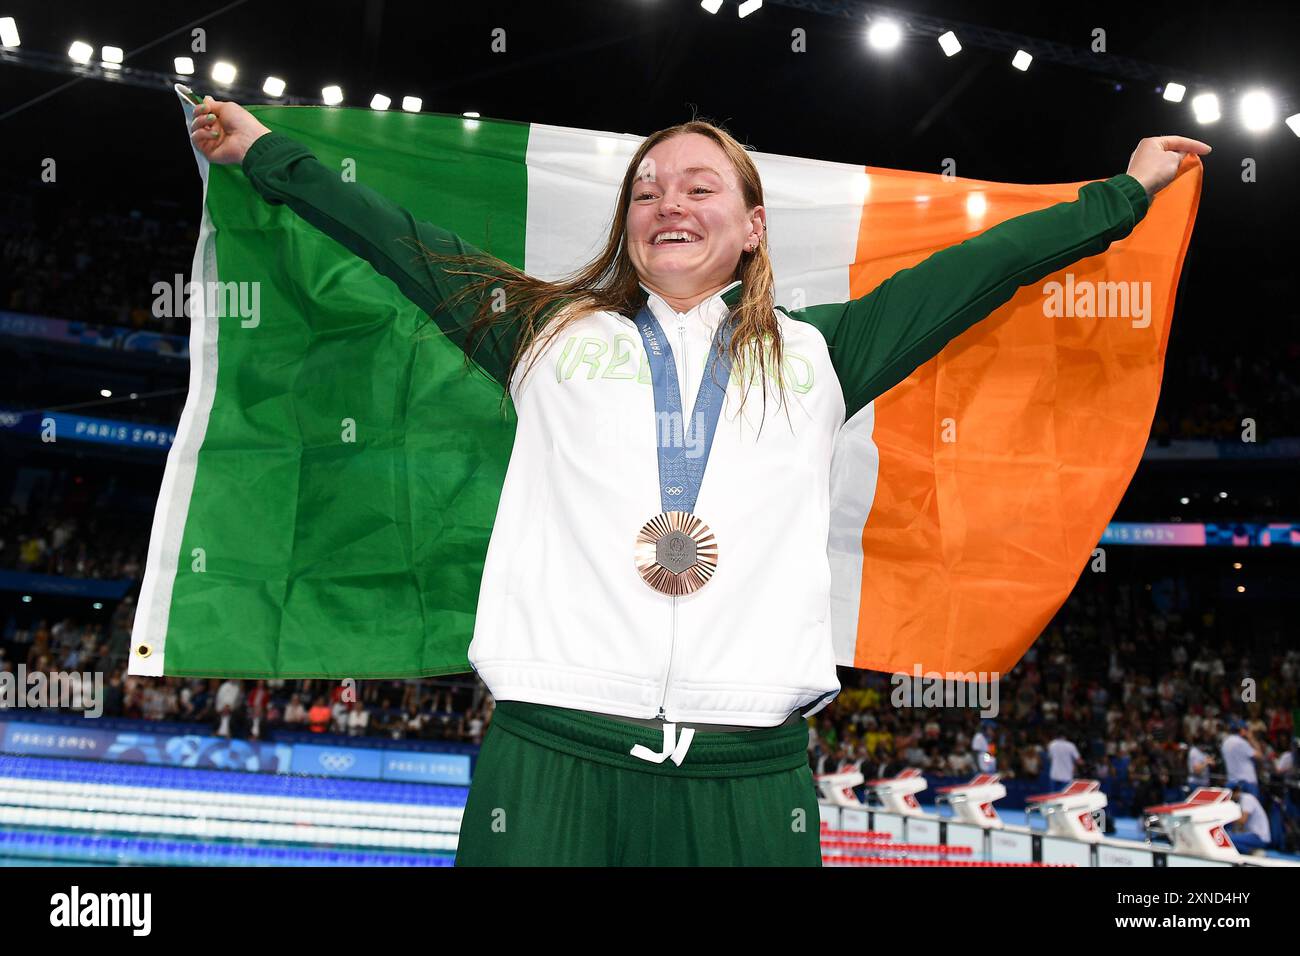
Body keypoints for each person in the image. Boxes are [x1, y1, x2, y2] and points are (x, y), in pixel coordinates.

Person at [189, 94, 1206, 866]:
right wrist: (264, 154)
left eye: (698, 185)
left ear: (752, 226)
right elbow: (395, 239)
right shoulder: (540, 333)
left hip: (749, 778)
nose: (667, 200)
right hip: (548, 759)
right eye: (646, 189)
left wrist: (1125, 194)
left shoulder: (825, 353)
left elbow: (989, 264)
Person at [1221, 718, 1263, 800]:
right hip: (1247, 782)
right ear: (1241, 730)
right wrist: (1251, 738)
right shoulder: (1241, 742)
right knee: (1249, 810)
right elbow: (1259, 756)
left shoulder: (1225, 742)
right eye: (1246, 729)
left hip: (1232, 782)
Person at [1228, 784, 1271, 855]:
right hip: (1250, 835)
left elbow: (1242, 820)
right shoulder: (1239, 801)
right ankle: (1253, 852)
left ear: (1236, 792)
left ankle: (1253, 852)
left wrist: (1226, 816)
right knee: (1229, 839)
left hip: (1259, 837)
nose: (1230, 798)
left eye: (1230, 794)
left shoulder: (1247, 798)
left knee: (1228, 839)